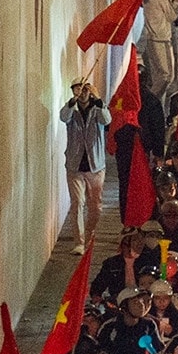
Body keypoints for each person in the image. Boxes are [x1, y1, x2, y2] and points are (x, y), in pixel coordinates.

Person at [60, 79, 111, 251]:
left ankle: (89, 234)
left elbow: (106, 120)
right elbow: (63, 117)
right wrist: (72, 101)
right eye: (78, 90)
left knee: (95, 206)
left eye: (85, 90)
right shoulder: (71, 109)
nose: (82, 93)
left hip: (95, 165)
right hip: (75, 165)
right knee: (77, 203)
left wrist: (98, 100)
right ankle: (79, 242)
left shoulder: (98, 109)